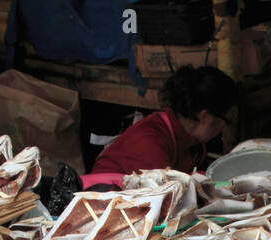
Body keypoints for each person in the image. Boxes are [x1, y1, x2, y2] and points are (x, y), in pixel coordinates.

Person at [88, 64, 236, 182]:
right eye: (226, 121)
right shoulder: (150, 143)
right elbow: (166, 197)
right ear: (205, 116)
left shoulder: (192, 142)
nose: (223, 128)